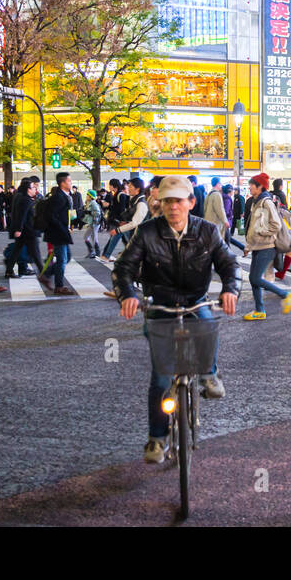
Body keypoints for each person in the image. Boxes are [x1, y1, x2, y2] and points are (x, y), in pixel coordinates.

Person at [112, 175, 241, 464]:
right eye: (168, 201)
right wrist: (129, 295)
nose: (173, 207)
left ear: (191, 203)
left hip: (196, 300)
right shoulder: (147, 233)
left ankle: (208, 374)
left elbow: (229, 264)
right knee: (160, 379)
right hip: (160, 306)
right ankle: (157, 439)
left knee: (207, 325)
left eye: (179, 201)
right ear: (161, 203)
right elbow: (124, 268)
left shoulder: (207, 231)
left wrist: (230, 290)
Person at [242, 173, 291, 320]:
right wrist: (248, 245)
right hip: (257, 246)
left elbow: (276, 225)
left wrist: (262, 232)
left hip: (267, 247)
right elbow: (253, 226)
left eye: (252, 184)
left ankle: (285, 294)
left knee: (255, 278)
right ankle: (260, 311)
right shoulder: (255, 201)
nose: (250, 187)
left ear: (259, 187)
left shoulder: (266, 202)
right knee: (254, 280)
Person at [42, 172, 75, 295]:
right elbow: (51, 216)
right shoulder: (58, 197)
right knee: (62, 259)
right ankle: (59, 286)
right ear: (62, 183)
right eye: (69, 181)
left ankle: (46, 275)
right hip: (58, 233)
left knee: (66, 257)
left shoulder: (64, 196)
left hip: (61, 232)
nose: (71, 183)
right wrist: (62, 228)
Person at [103, 177, 149, 263]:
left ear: (137, 189)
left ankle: (107, 255)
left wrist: (118, 230)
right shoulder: (135, 200)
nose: (128, 188)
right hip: (136, 235)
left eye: (130, 186)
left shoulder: (141, 203)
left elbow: (135, 223)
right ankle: (107, 255)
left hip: (141, 237)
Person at [3, 177, 40, 278]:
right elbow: (22, 215)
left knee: (17, 250)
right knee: (35, 252)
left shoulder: (20, 196)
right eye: (33, 187)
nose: (35, 189)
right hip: (27, 230)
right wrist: (19, 229)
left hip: (23, 229)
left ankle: (10, 270)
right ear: (28, 188)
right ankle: (43, 272)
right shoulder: (25, 199)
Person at [83, 189, 103, 259]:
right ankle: (94, 252)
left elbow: (97, 213)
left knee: (89, 237)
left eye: (87, 195)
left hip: (94, 223)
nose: (86, 196)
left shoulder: (93, 203)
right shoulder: (90, 202)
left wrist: (89, 212)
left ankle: (94, 252)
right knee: (91, 237)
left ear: (91, 196)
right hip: (92, 223)